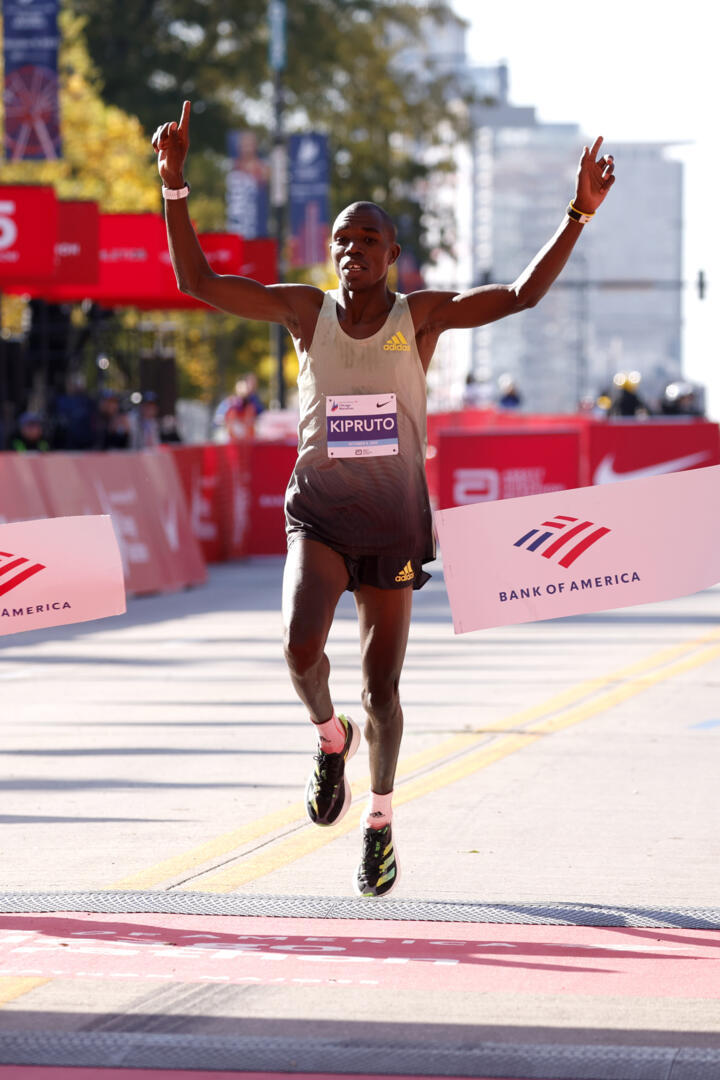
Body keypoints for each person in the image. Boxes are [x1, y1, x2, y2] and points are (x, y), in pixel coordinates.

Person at [153, 101, 615, 897]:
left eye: (367, 238)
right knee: (300, 649)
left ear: (393, 254)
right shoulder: (306, 312)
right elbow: (196, 283)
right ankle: (330, 740)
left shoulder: (420, 317)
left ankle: (380, 825)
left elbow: (518, 295)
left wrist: (576, 213)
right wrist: (174, 187)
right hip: (321, 513)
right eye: (340, 238)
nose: (350, 248)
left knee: (385, 689)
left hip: (395, 521)